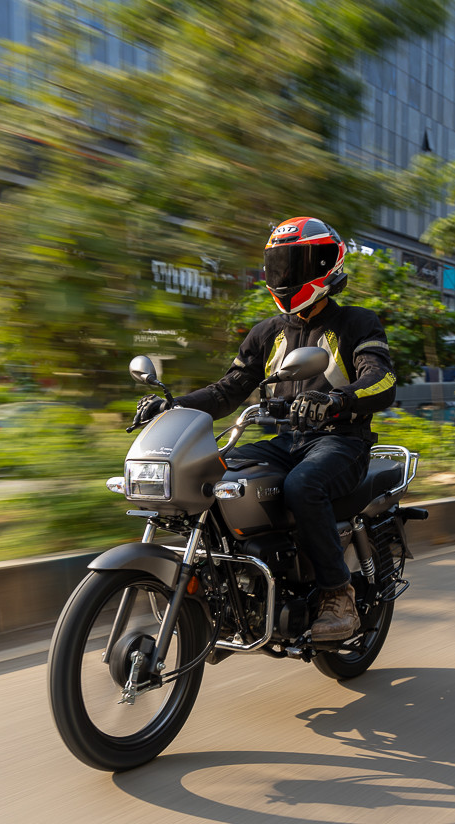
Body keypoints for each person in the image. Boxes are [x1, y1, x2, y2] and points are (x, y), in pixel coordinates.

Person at [134, 217, 395, 640]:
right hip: (284, 441)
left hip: (342, 442)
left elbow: (381, 381)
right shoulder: (267, 333)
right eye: (280, 265)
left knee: (303, 485)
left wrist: (336, 400)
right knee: (210, 475)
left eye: (298, 263)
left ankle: (338, 596)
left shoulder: (357, 324)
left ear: (328, 264)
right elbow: (227, 391)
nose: (287, 275)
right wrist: (172, 405)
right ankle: (225, 589)